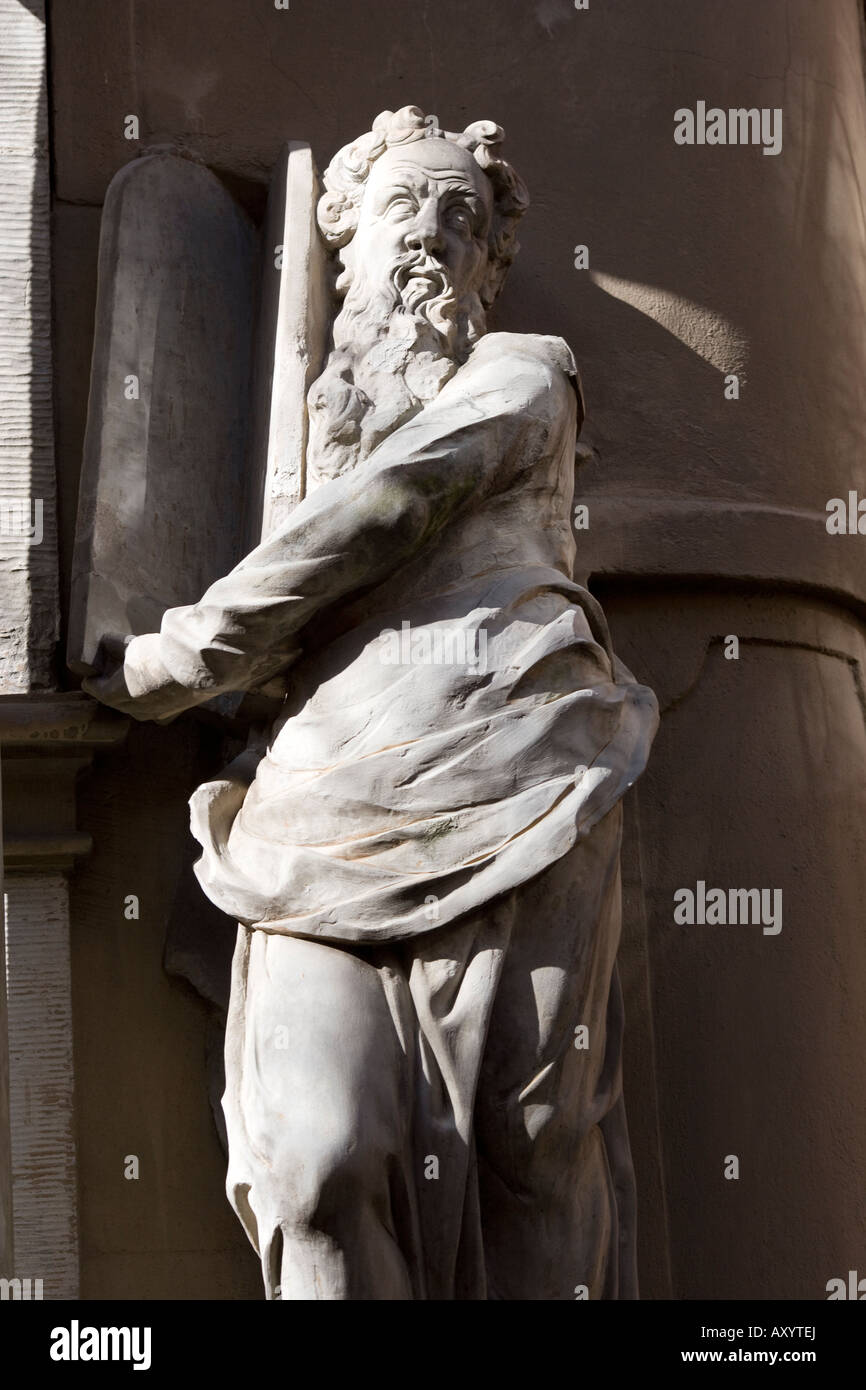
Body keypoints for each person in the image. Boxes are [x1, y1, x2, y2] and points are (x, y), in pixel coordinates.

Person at [85, 106, 658, 1300]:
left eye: (463, 216)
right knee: (316, 1160)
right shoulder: (289, 431)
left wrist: (187, 650)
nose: (431, 238)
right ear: (341, 239)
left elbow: (390, 503)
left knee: (536, 1152)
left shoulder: (520, 374)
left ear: (489, 259)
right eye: (404, 205)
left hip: (527, 780)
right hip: (315, 814)